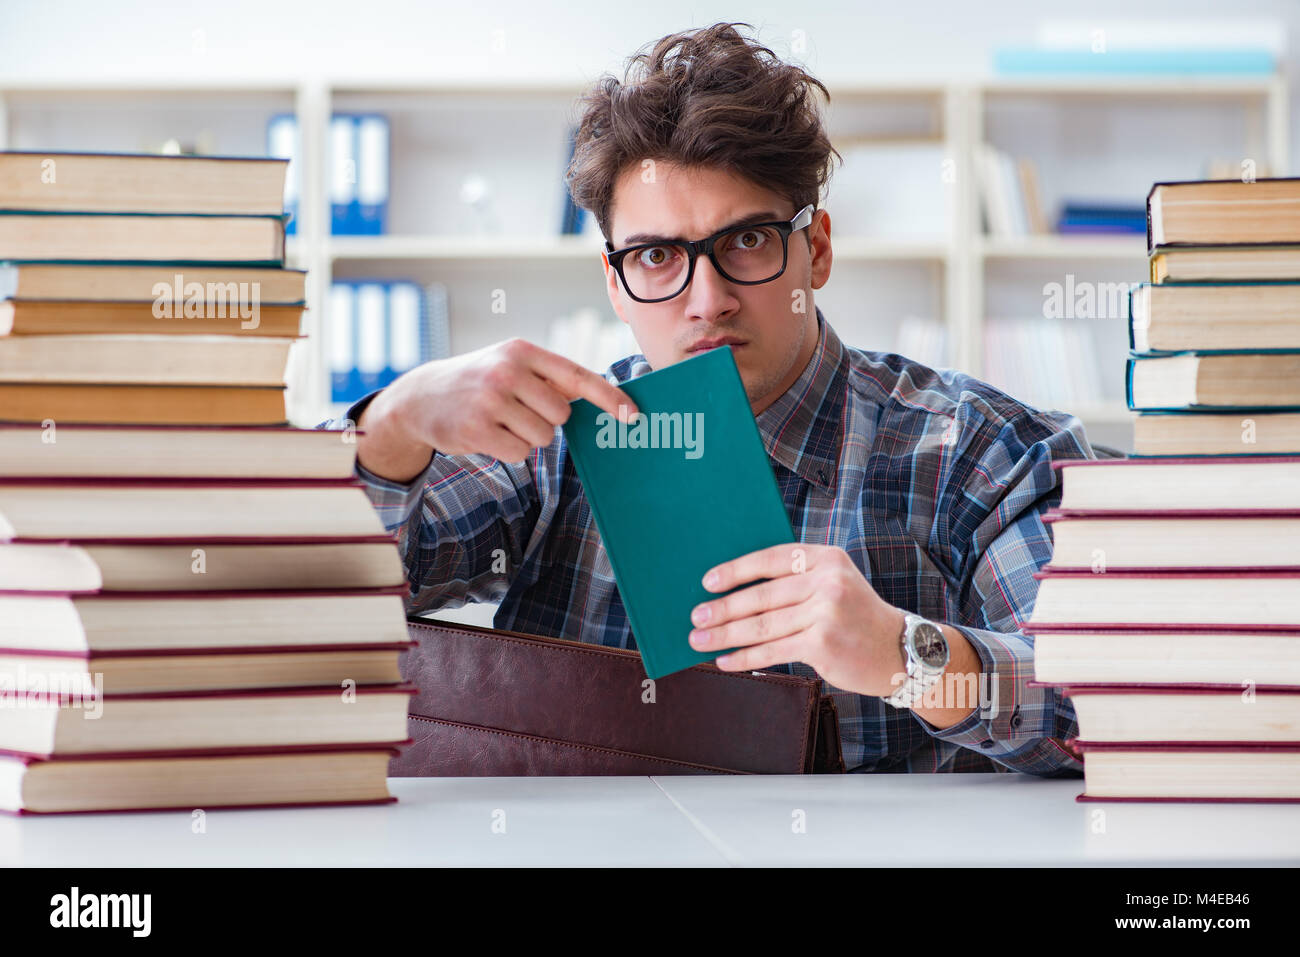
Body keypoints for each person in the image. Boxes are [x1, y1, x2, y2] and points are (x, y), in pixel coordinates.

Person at [319, 21, 1095, 775]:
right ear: (615, 284)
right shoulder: (554, 439)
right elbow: (319, 595)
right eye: (657, 257)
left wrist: (909, 657)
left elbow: (1097, 704)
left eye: (747, 241)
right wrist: (393, 423)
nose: (707, 300)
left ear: (815, 249)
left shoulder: (983, 452)